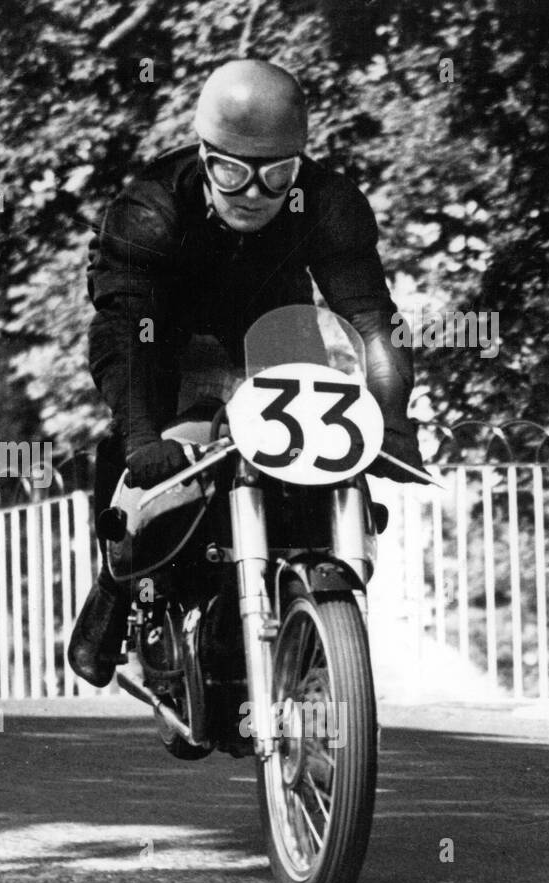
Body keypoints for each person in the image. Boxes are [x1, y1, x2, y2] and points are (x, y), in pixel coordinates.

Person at [68, 59, 426, 689]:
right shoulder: (148, 210)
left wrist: (390, 420)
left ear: (298, 166)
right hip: (171, 356)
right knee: (161, 493)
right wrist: (142, 437)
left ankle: (312, 621)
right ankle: (116, 587)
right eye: (232, 170)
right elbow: (122, 333)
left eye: (276, 174)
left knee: (327, 474)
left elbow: (371, 320)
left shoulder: (330, 202)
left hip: (280, 345)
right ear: (205, 157)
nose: (254, 192)